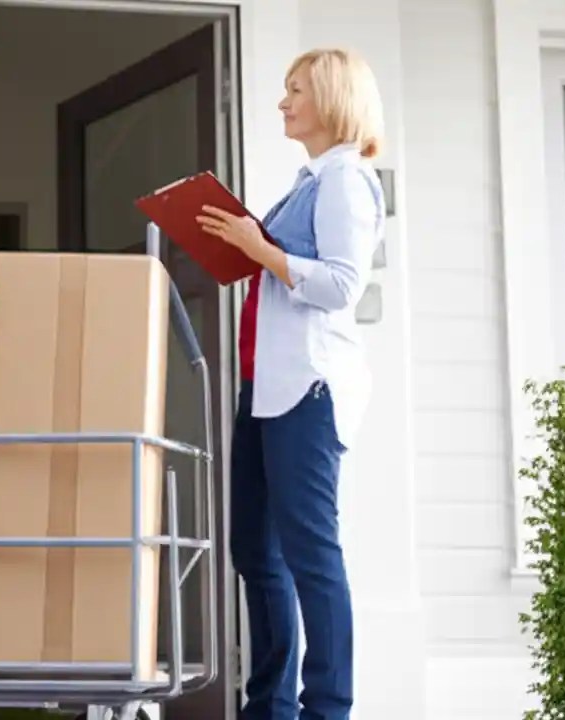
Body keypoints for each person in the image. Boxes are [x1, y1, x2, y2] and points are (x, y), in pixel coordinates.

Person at [197, 48, 387, 720]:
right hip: (266, 388)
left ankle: (326, 708)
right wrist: (241, 246)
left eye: (295, 90)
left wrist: (261, 251)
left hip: (308, 389)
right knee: (254, 547)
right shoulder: (308, 182)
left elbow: (341, 286)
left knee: (310, 552)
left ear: (332, 97)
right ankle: (269, 706)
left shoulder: (346, 181)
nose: (282, 102)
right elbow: (282, 267)